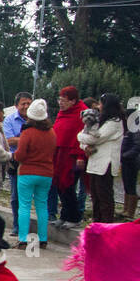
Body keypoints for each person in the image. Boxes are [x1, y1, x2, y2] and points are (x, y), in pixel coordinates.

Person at [11, 98, 54, 248]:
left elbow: (20, 155)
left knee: (24, 206)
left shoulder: (28, 133)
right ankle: (43, 239)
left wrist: (15, 156)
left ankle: (23, 238)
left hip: (27, 173)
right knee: (42, 206)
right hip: (47, 173)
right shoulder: (51, 133)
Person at [78, 93, 124, 224]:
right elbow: (86, 135)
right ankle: (96, 222)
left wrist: (80, 137)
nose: (99, 106)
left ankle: (106, 224)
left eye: (101, 103)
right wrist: (84, 143)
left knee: (104, 197)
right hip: (94, 162)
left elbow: (95, 138)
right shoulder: (100, 121)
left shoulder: (115, 122)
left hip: (106, 164)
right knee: (95, 196)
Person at [51, 86, 87, 229]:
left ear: (73, 101)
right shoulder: (63, 113)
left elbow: (83, 136)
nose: (60, 103)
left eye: (64, 100)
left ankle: (74, 216)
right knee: (59, 185)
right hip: (59, 154)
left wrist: (80, 155)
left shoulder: (81, 114)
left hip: (72, 156)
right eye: (59, 99)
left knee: (68, 185)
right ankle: (65, 215)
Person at [2, 92, 31, 235]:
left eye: (28, 103)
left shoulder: (37, 119)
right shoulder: (9, 120)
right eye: (23, 104)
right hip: (16, 162)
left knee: (32, 196)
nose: (26, 106)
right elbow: (8, 140)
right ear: (16, 106)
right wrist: (29, 140)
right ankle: (17, 225)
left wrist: (19, 139)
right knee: (15, 195)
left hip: (33, 162)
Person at [119, 105, 140, 218]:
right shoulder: (129, 127)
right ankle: (125, 209)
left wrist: (125, 155)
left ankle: (130, 212)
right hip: (126, 161)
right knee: (126, 185)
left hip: (131, 161)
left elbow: (137, 146)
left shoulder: (136, 128)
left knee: (131, 186)